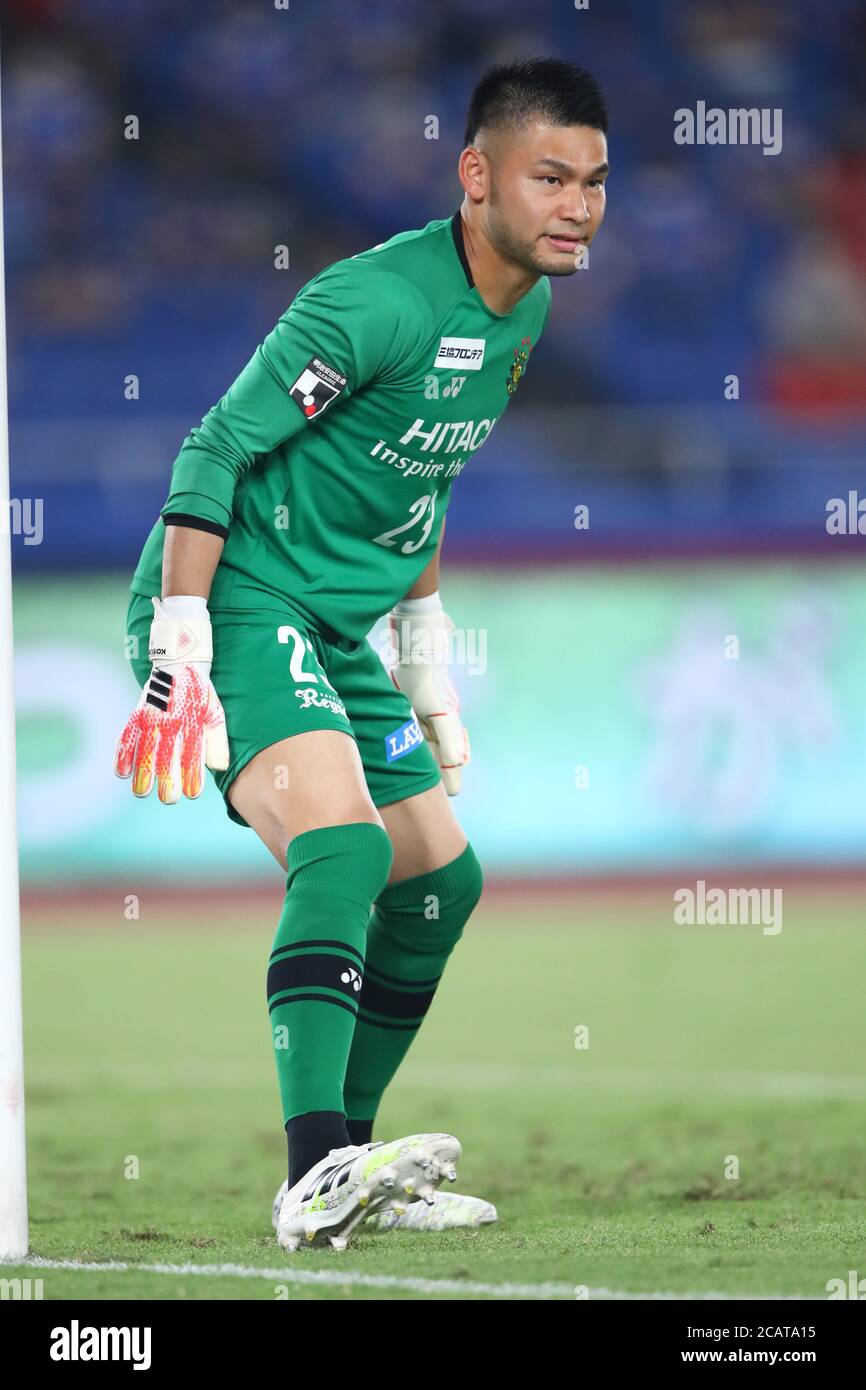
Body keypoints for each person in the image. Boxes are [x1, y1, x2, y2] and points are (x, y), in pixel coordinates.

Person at [114, 55, 609, 1252]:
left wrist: (425, 655)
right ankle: (310, 1173)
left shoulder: (525, 309)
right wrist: (179, 636)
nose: (578, 206)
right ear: (475, 174)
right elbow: (212, 451)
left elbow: (422, 477)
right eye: (549, 176)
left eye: (595, 182)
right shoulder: (369, 302)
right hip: (232, 590)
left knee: (440, 879)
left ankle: (350, 1169)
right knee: (341, 849)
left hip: (338, 624)